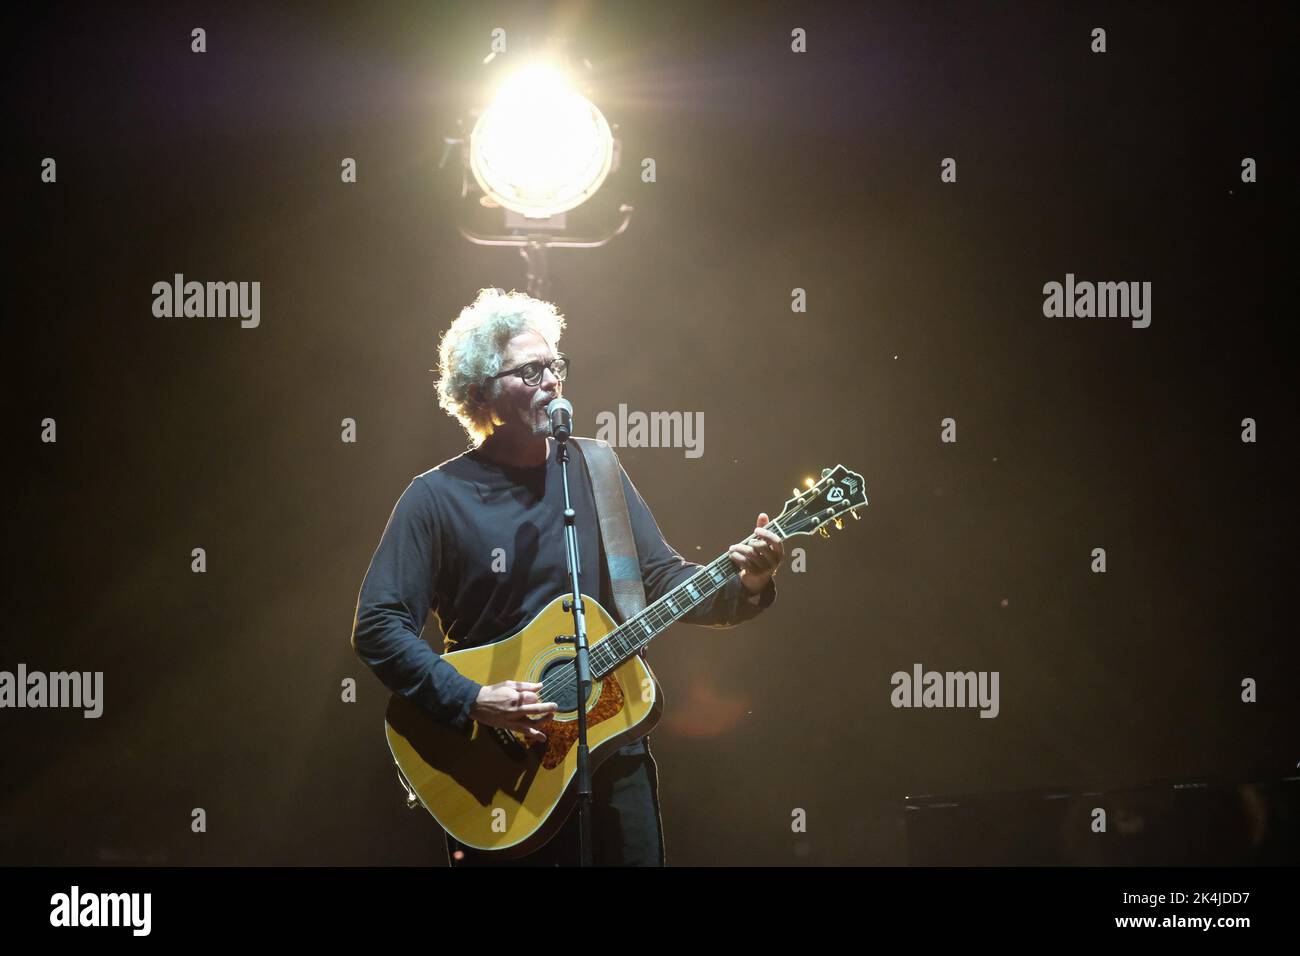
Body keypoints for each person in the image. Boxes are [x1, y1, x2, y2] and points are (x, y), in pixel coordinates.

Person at [350, 288, 782, 866]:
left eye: (556, 365)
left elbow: (656, 576)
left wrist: (745, 584)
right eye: (530, 371)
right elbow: (378, 625)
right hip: (502, 771)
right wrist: (473, 698)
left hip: (612, 750)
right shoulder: (436, 498)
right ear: (482, 390)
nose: (551, 381)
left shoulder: (597, 468)